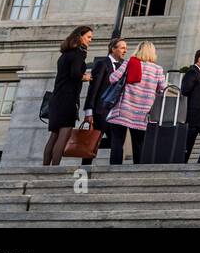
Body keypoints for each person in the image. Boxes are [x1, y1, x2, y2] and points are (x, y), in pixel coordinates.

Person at [105, 41, 168, 164]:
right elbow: (163, 89)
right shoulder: (157, 69)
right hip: (142, 113)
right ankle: (137, 170)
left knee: (117, 142)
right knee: (139, 144)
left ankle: (114, 170)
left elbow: (112, 78)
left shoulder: (130, 62)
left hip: (123, 110)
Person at [43, 26, 93, 165]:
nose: (90, 40)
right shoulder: (78, 53)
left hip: (56, 98)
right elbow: (75, 74)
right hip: (67, 99)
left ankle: (45, 170)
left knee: (54, 136)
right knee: (63, 136)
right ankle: (54, 172)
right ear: (79, 36)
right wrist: (86, 77)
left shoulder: (64, 54)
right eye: (88, 37)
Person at [81, 37, 126, 165]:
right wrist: (89, 111)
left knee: (117, 142)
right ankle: (85, 168)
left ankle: (115, 171)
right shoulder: (102, 64)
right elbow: (93, 88)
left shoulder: (124, 65)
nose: (125, 51)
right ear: (113, 49)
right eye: (122, 48)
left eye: (126, 48)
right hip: (100, 111)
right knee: (93, 140)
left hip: (117, 111)